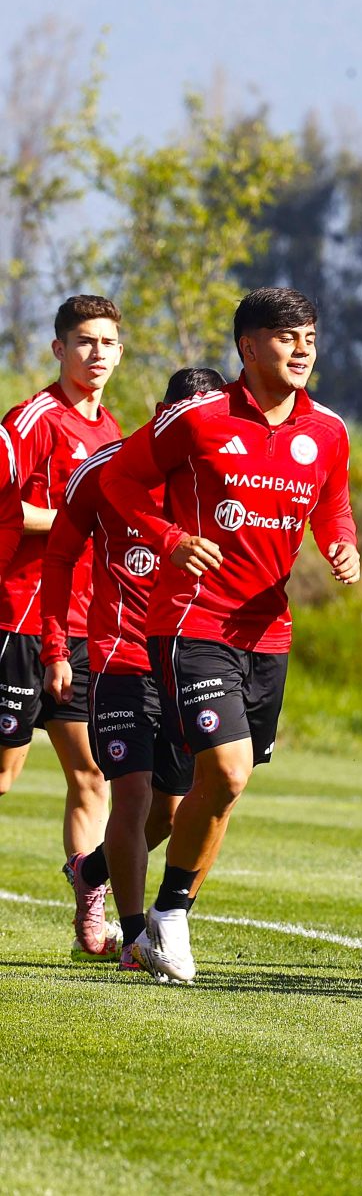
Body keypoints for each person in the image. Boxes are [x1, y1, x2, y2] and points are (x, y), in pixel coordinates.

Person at [101, 287, 359, 984]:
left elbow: (333, 505)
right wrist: (170, 537)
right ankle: (172, 917)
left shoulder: (329, 430)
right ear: (249, 347)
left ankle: (166, 911)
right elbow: (119, 484)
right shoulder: (198, 417)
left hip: (268, 631)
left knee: (224, 789)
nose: (303, 348)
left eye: (309, 336)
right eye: (286, 337)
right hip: (192, 619)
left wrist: (342, 545)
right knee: (228, 769)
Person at [39, 367, 225, 969]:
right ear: (159, 411)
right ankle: (133, 935)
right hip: (118, 656)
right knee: (132, 796)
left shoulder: (224, 480)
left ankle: (90, 872)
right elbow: (61, 555)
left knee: (172, 809)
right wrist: (56, 647)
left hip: (189, 656)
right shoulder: (107, 472)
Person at [0, 294, 125, 956]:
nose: (96, 353)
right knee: (5, 775)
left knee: (91, 775)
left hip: (77, 626)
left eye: (107, 341)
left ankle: (90, 924)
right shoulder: (30, 420)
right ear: (58, 349)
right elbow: (12, 509)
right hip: (16, 618)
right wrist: (80, 517)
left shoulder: (114, 435)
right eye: (84, 341)